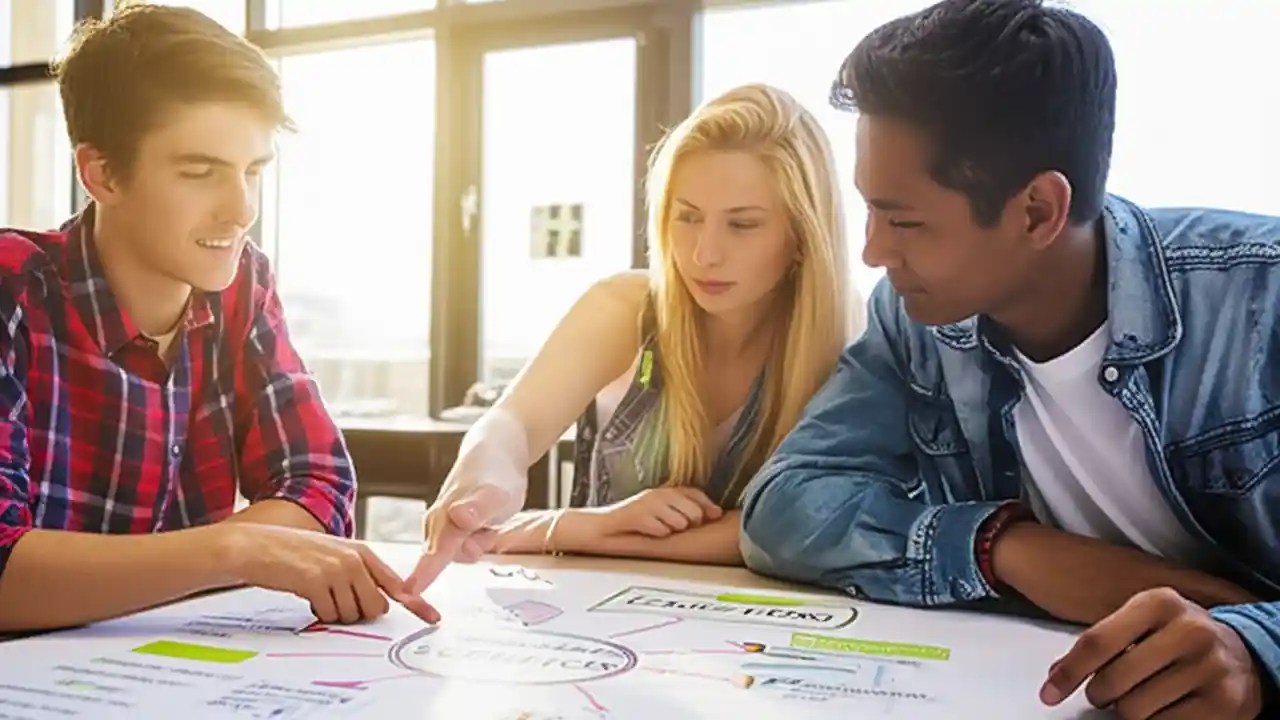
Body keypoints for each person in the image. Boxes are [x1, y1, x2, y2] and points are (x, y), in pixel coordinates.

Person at [737, 1, 1280, 718]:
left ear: (1037, 211)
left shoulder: (1261, 302)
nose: (873, 251)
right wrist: (1006, 548)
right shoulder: (916, 320)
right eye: (869, 210)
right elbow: (785, 504)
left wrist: (1254, 650)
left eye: (904, 220)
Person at [0, 5, 434, 633]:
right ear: (102, 174)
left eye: (253, 171)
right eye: (200, 173)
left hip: (163, 667)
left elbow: (319, 487)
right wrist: (231, 548)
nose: (242, 210)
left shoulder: (241, 286)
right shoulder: (13, 289)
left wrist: (221, 553)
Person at [405, 84, 856, 594]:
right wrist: (482, 478)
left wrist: (580, 530)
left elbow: (805, 531)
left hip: (761, 630)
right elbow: (513, 422)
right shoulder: (626, 307)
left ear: (802, 235)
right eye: (687, 217)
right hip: (599, 616)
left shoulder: (844, 336)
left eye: (742, 225)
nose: (704, 253)